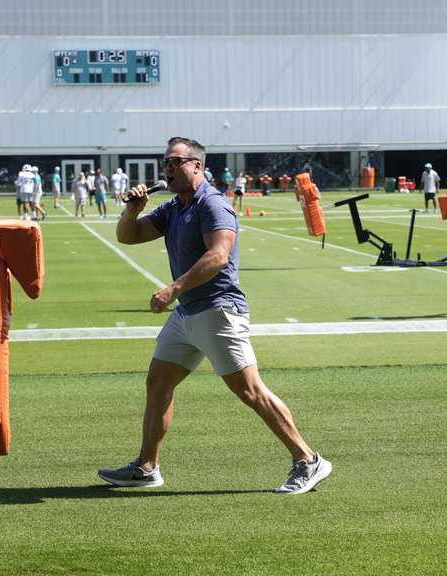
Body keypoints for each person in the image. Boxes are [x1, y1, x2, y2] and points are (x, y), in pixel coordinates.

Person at [101, 136, 332, 495]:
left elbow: (219, 255)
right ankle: (147, 467)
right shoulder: (174, 207)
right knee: (158, 383)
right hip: (188, 314)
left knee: (250, 391)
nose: (168, 168)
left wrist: (173, 288)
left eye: (175, 162)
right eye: (165, 163)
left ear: (197, 165)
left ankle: (308, 459)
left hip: (218, 310)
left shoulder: (213, 204)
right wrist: (132, 209)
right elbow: (128, 237)